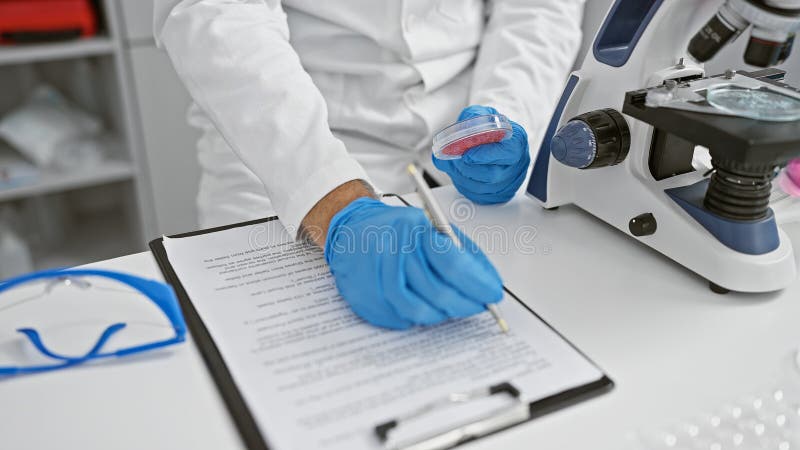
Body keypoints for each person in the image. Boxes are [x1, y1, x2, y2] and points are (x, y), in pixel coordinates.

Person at [153, 0, 584, 329]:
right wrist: (333, 200)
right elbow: (217, 15)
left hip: (456, 145)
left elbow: (538, 9)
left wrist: (504, 113)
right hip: (286, 153)